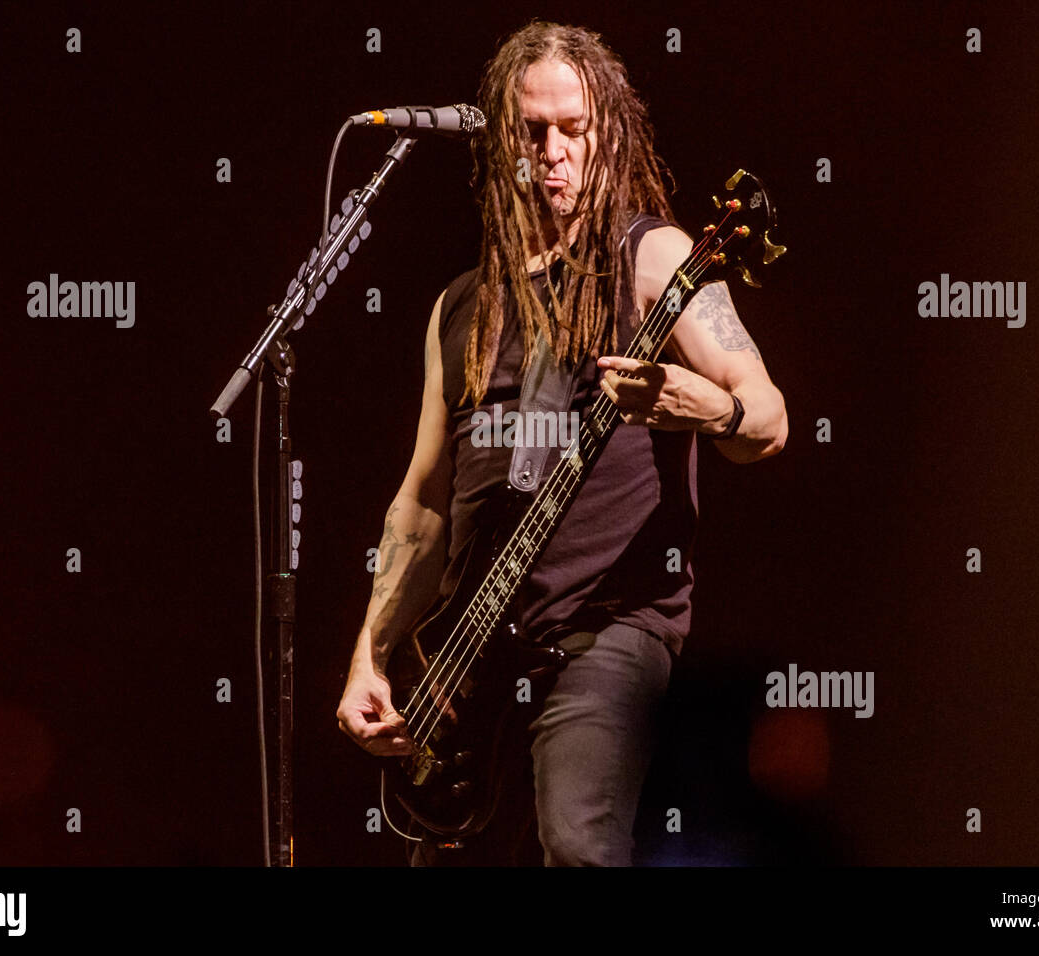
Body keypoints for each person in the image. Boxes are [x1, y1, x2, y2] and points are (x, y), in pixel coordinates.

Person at [336, 19, 788, 866]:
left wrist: (709, 409)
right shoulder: (461, 307)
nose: (552, 151)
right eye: (531, 131)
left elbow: (767, 416)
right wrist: (372, 653)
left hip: (607, 628)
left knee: (578, 846)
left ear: (608, 134)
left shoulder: (654, 259)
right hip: (469, 648)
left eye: (573, 129)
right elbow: (422, 502)